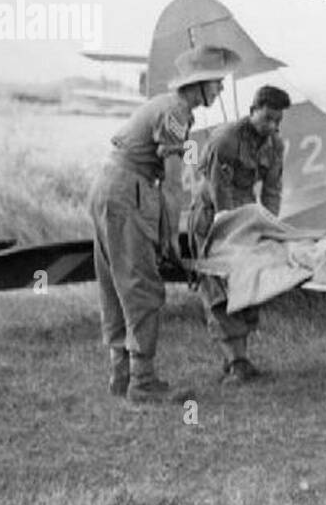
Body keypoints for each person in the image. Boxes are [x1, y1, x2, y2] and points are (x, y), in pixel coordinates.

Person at [88, 45, 236, 403]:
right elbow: (171, 182)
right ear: (197, 85)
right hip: (129, 190)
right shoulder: (176, 113)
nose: (218, 92)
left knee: (113, 283)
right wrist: (170, 235)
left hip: (107, 186)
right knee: (142, 285)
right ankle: (142, 381)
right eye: (215, 84)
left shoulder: (166, 107)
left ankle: (120, 373)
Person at [189, 84, 291, 384]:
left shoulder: (275, 145)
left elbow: (272, 191)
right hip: (213, 219)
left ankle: (239, 359)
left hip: (246, 215)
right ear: (252, 111)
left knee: (247, 284)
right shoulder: (224, 140)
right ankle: (236, 362)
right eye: (267, 118)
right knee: (219, 289)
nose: (272, 126)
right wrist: (232, 233)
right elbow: (218, 192)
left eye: (278, 121)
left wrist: (269, 227)